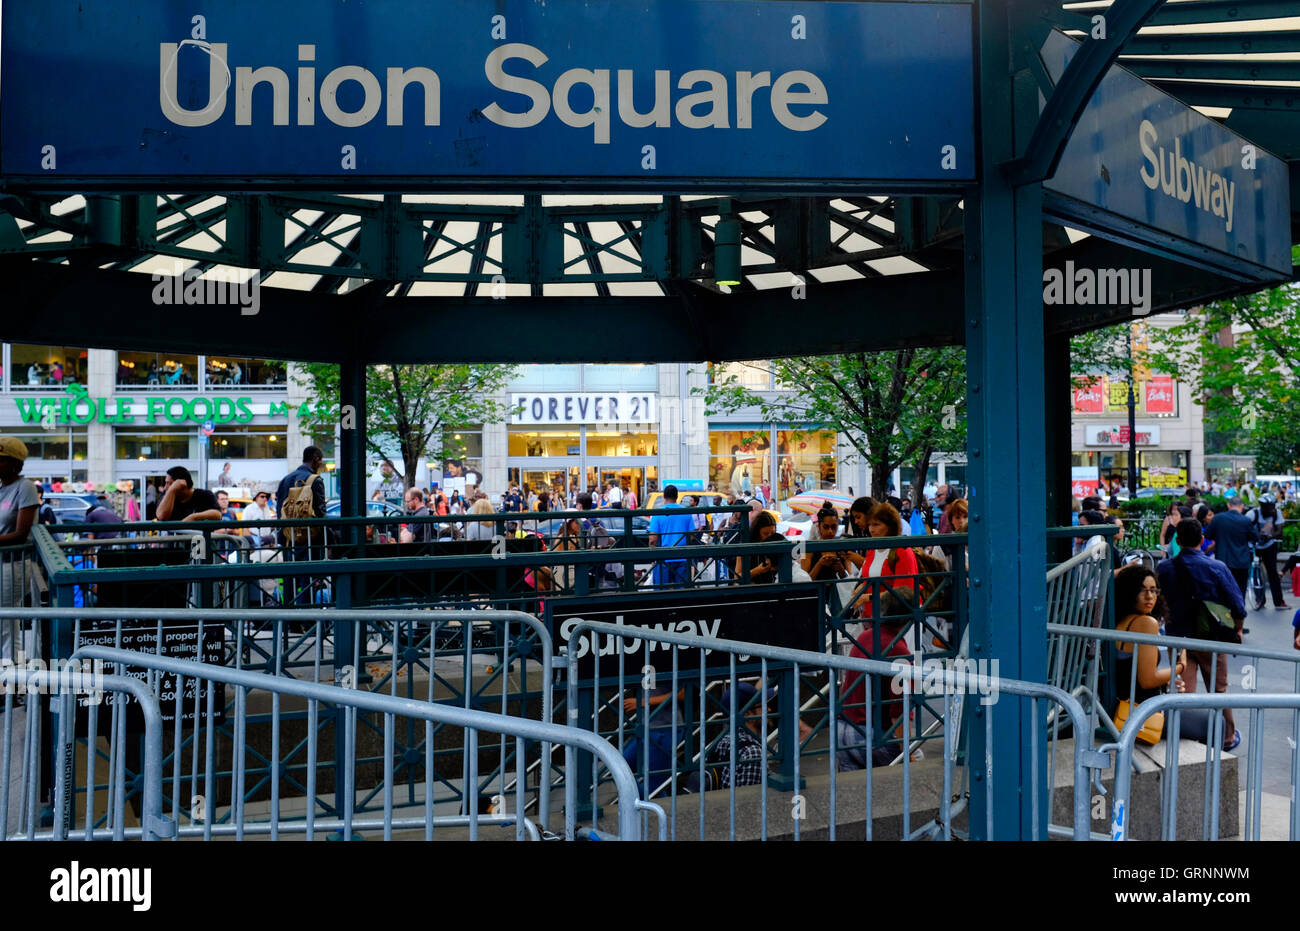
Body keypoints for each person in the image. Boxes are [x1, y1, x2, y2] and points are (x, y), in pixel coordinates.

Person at [1156, 519, 1248, 751]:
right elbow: (1238, 606)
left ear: (1177, 540)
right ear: (1201, 540)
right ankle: (1226, 738)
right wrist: (1237, 629)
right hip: (1211, 640)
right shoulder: (1217, 568)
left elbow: (1158, 602)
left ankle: (1188, 739)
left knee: (1184, 691)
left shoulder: (1164, 569)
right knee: (1219, 691)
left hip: (1177, 639)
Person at [1113, 565, 1186, 707]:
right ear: (1129, 592)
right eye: (1142, 590)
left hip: (1122, 705)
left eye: (1153, 590)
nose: (1149, 596)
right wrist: (1181, 666)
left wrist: (1165, 680)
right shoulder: (1145, 623)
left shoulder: (1121, 619)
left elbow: (1132, 673)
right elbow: (1147, 680)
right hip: (1140, 710)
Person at [0, 437, 39, 662]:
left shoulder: (25, 487)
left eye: (1, 460)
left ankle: (11, 681)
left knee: (7, 623)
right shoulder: (2, 489)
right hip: (2, 562)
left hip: (12, 565)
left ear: (15, 463)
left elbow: (21, 533)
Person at [1205, 496, 1256, 598]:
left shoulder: (1218, 518)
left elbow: (1207, 534)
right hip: (1241, 561)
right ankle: (1239, 611)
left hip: (1223, 560)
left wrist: (1219, 537)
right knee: (1240, 590)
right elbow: (1255, 537)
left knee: (1223, 590)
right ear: (1242, 506)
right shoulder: (1246, 520)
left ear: (1228, 505)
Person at [1246, 495, 1290, 610]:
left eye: (1272, 507)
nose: (1271, 510)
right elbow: (1244, 529)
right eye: (1268, 508)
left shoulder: (1277, 513)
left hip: (1269, 545)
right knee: (1255, 572)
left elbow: (1280, 530)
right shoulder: (1252, 514)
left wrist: (1270, 536)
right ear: (1262, 506)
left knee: (1272, 572)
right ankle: (1260, 600)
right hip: (1254, 545)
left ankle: (1279, 602)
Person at [648, 484, 697, 586]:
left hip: (663, 557)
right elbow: (692, 535)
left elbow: (652, 539)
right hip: (682, 557)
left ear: (664, 496)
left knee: (662, 592)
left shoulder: (657, 513)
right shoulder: (686, 512)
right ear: (677, 496)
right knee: (681, 591)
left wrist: (653, 555)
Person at [802, 504, 850, 581]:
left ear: (838, 526)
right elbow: (803, 582)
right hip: (816, 593)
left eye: (833, 527)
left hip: (837, 592)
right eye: (826, 527)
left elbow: (850, 581)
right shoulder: (807, 550)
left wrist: (841, 570)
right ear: (818, 527)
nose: (830, 531)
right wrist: (820, 564)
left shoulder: (843, 550)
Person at [156, 466, 222, 522]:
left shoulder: (204, 495)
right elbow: (161, 516)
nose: (165, 487)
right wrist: (172, 489)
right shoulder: (167, 495)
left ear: (182, 485)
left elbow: (218, 515)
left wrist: (194, 517)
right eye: (166, 483)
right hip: (175, 537)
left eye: (169, 483)